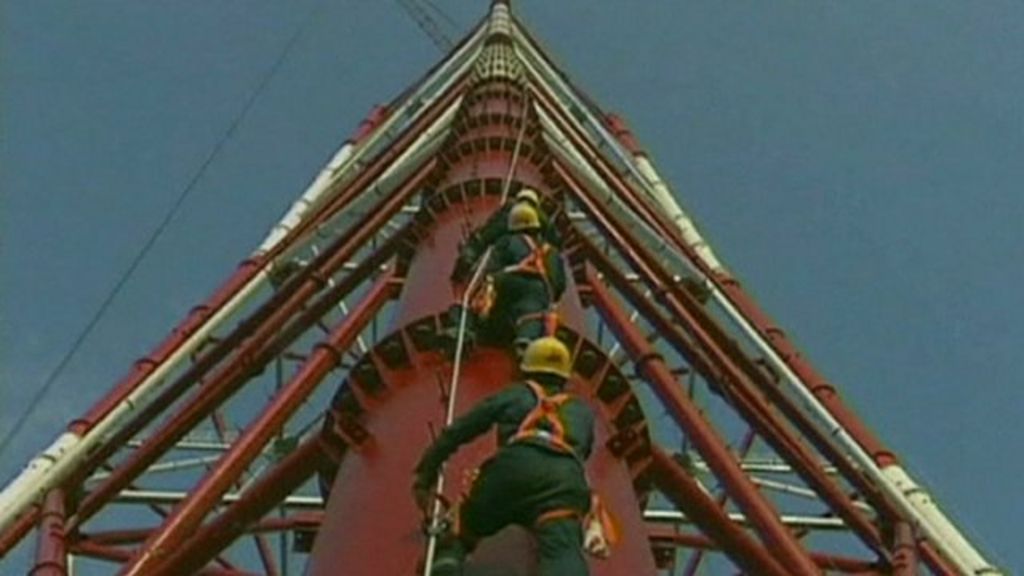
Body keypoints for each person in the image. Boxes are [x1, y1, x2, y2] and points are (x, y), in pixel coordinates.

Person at [412, 337, 607, 576]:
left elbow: (464, 428)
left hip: (514, 467)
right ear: (565, 377)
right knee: (563, 548)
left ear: (526, 369)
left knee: (463, 527)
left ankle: (446, 567)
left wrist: (426, 470)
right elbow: (584, 450)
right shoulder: (581, 409)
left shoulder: (516, 394)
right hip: (565, 476)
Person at [451, 187, 562, 284]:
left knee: (484, 252)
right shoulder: (540, 216)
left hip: (504, 242)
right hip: (527, 251)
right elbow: (555, 238)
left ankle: (467, 272)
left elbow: (491, 229)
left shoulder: (510, 207)